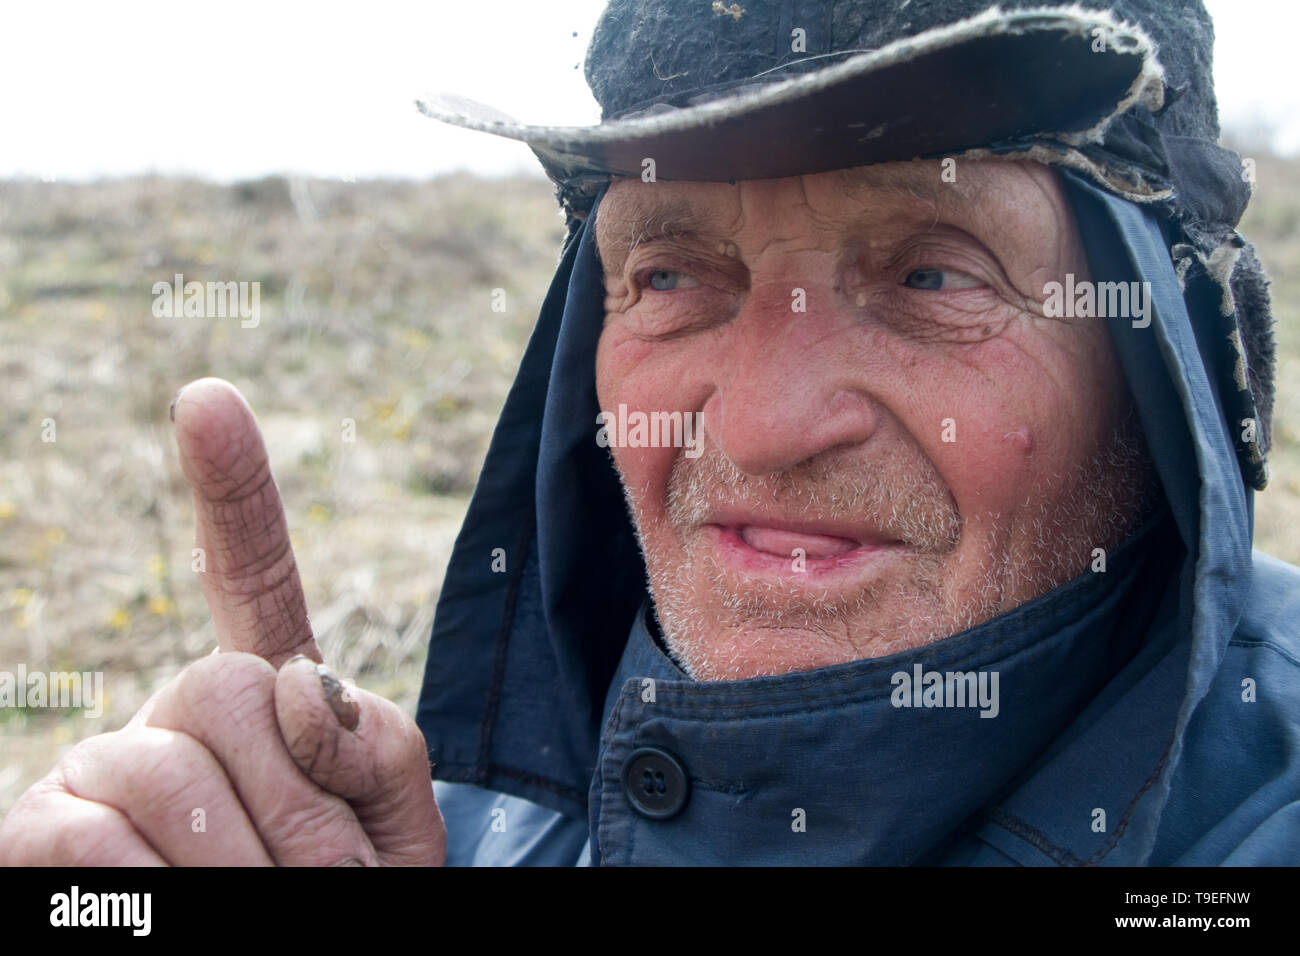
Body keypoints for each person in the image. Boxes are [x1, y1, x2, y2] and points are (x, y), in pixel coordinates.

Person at [2, 0, 1296, 866]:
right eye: (674, 275)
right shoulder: (440, 825)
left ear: (1166, 360)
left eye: (933, 277)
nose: (766, 425)